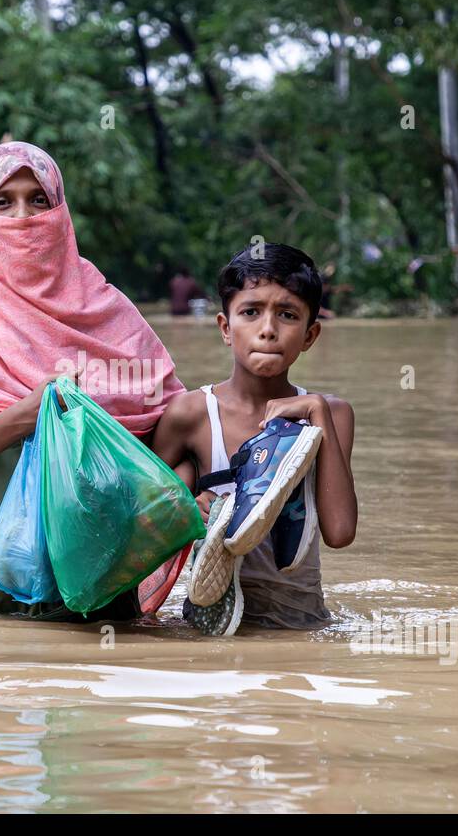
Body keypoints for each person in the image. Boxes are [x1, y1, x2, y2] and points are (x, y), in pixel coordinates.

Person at [0, 141, 188, 621]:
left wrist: (189, 496)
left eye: (38, 199)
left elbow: (174, 437)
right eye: (3, 202)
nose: (22, 216)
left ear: (60, 211)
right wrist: (24, 415)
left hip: (93, 597)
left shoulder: (111, 317)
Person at [152, 243, 357, 635]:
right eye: (251, 312)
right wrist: (186, 512)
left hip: (302, 622)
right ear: (226, 328)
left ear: (310, 334)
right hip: (212, 623)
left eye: (287, 315)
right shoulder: (191, 414)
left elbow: (341, 532)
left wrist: (316, 413)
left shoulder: (333, 412)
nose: (268, 329)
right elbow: (145, 525)